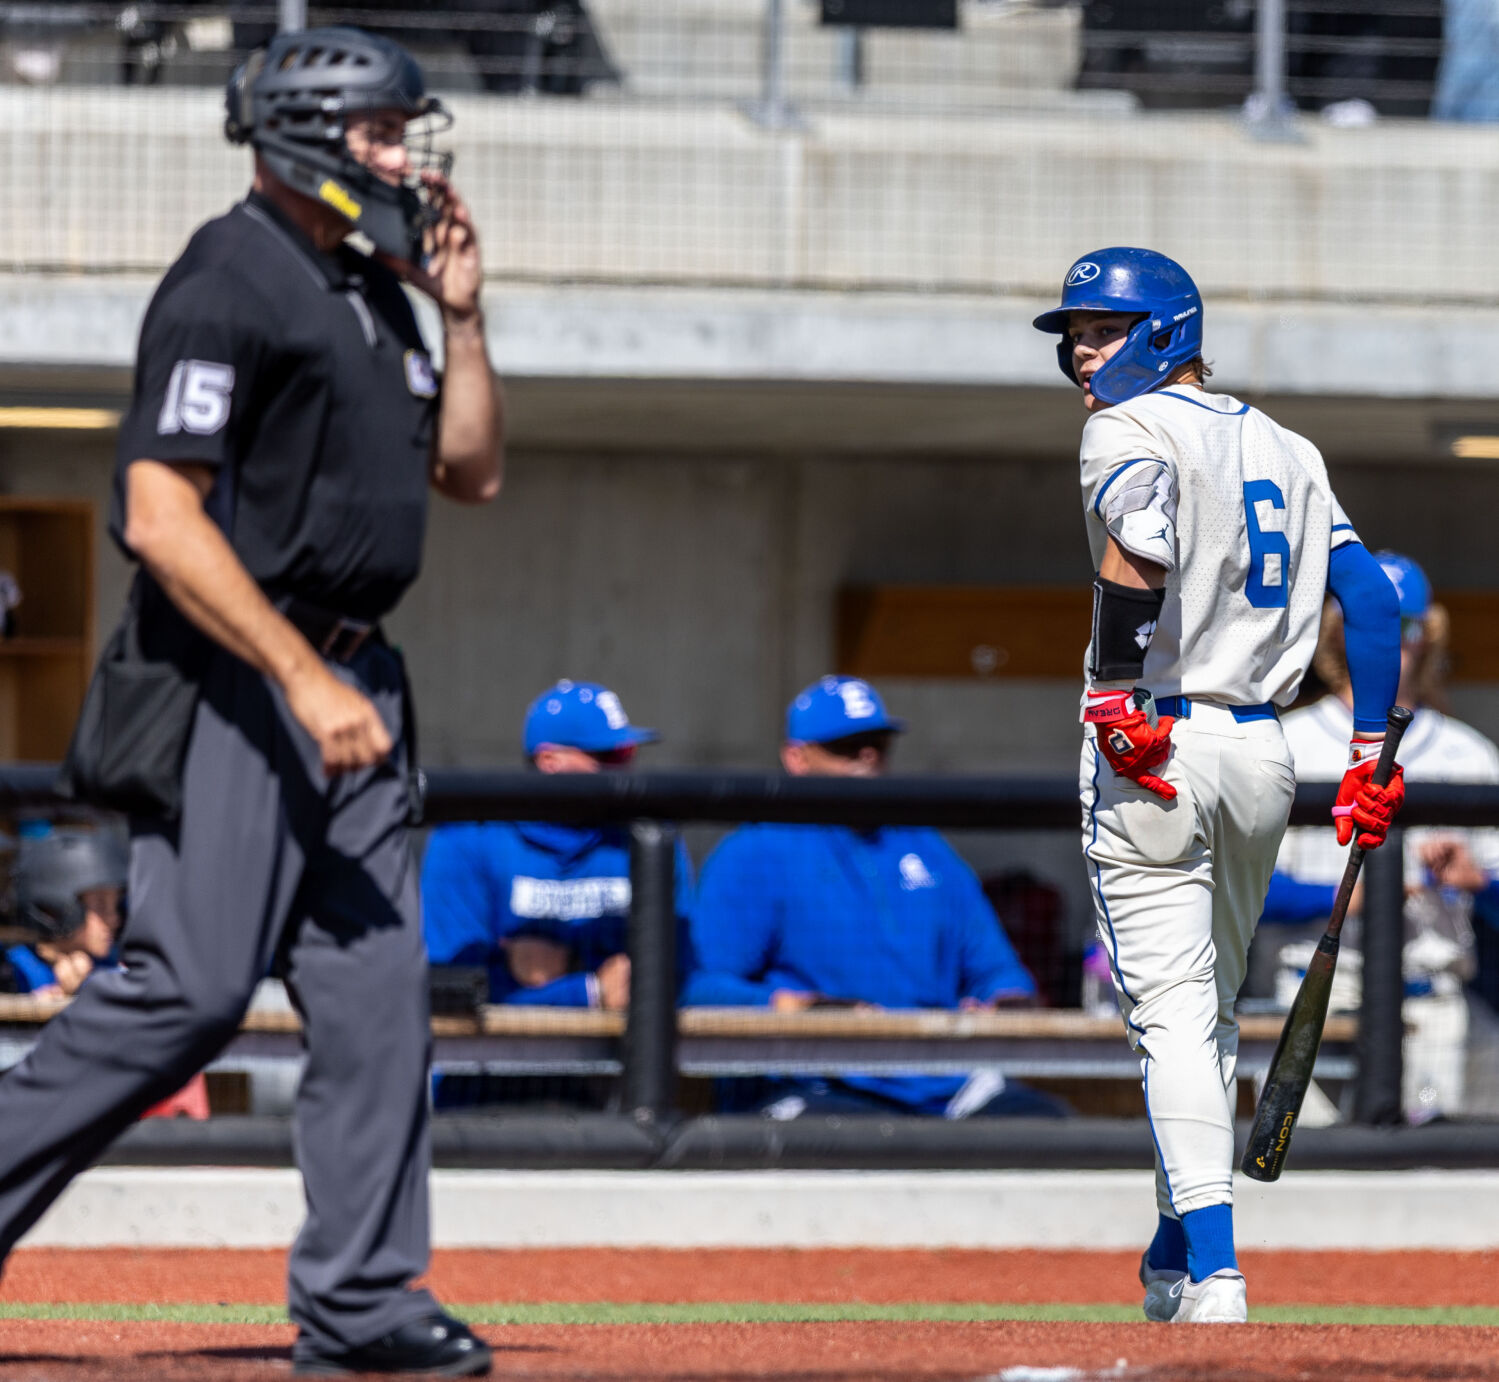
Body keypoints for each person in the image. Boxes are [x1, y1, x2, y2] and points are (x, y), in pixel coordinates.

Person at [0, 28, 502, 1377]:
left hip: (356, 681)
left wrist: (460, 314)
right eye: (380, 132)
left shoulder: (376, 290)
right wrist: (298, 671)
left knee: (377, 993)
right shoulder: (228, 276)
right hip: (241, 678)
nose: (403, 158)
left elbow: (471, 472)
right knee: (189, 989)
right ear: (305, 137)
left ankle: (362, 1303)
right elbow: (159, 516)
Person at [1032, 248, 1405, 1324]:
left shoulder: (1125, 426)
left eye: (1102, 329)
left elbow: (1139, 550)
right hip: (1260, 751)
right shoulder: (1286, 443)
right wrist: (1371, 753)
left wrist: (1112, 691)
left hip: (1153, 738)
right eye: (1074, 334)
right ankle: (1169, 1250)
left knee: (1171, 1016)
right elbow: (1372, 601)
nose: (1082, 352)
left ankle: (1213, 1269)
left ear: (1164, 332)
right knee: (1208, 1015)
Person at [686, 676, 1064, 1120]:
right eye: (846, 747)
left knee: (1049, 1126)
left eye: (878, 745)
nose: (867, 756)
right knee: (862, 1140)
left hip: (941, 1082)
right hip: (815, 1078)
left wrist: (1005, 1001)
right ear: (796, 758)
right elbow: (698, 986)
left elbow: (996, 969)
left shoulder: (924, 846)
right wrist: (791, 1006)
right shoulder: (756, 851)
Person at [1268, 551, 1499, 1119]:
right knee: (1305, 1155)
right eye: (1367, 623)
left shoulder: (1468, 753)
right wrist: (1345, 900)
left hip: (1430, 1001)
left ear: (1428, 637)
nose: (1389, 640)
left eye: (1404, 627)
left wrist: (1477, 880)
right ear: (1335, 632)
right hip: (1315, 995)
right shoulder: (1287, 742)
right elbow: (1239, 888)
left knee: (1424, 1159)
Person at [423, 679, 689, 1012]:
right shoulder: (467, 839)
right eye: (610, 756)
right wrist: (587, 991)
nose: (627, 770)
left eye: (629, 754)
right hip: (496, 1045)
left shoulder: (649, 838)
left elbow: (682, 973)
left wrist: (571, 966)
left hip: (623, 1044)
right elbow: (449, 988)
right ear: (550, 761)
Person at [6, 828, 128, 998]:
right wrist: (44, 1004)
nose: (114, 918)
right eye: (100, 905)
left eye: (116, 904)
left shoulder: (114, 967)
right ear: (55, 909)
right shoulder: (13, 969)